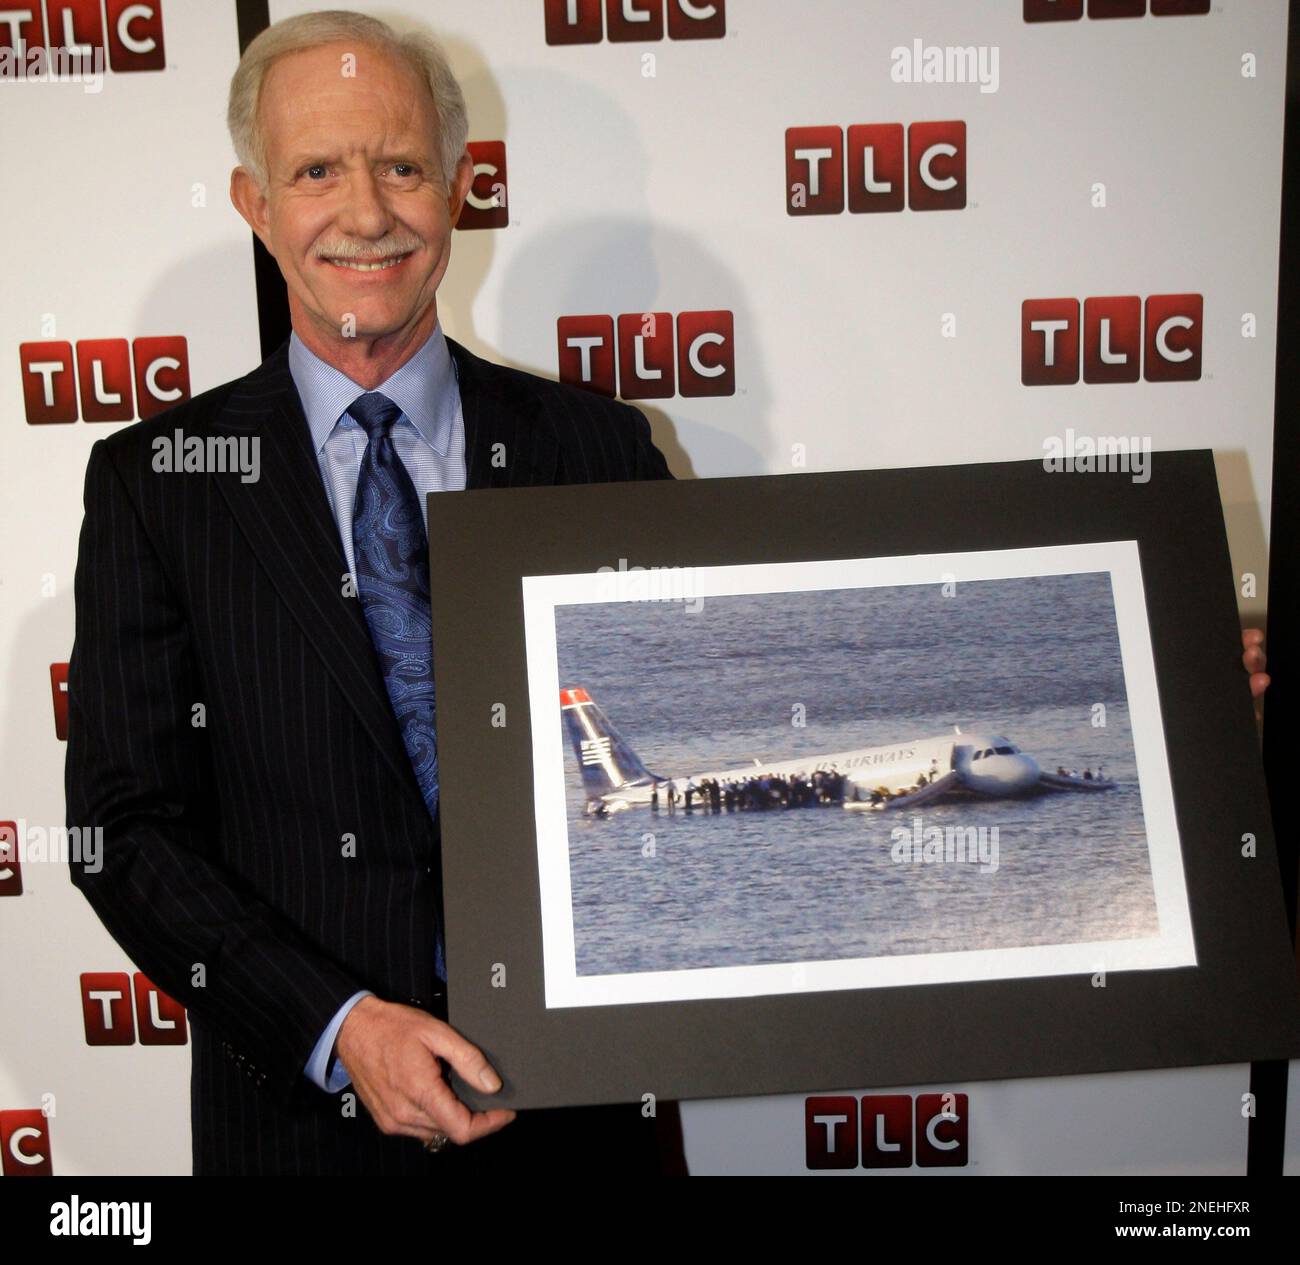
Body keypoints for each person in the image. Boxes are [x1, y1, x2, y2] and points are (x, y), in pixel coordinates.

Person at [63, 11, 678, 1176]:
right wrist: (340, 1024)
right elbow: (124, 832)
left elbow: (675, 739)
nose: (365, 212)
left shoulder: (597, 450)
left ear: (455, 184)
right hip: (302, 1138)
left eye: (401, 165)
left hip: (586, 1126)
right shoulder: (160, 486)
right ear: (253, 203)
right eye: (316, 171)